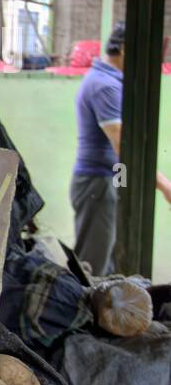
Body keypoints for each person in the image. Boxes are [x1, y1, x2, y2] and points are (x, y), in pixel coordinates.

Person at [69, 22, 171, 276]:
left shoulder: (107, 81)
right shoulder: (106, 86)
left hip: (104, 183)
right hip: (97, 186)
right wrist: (165, 186)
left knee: (109, 270)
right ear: (125, 49)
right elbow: (123, 147)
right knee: (92, 271)